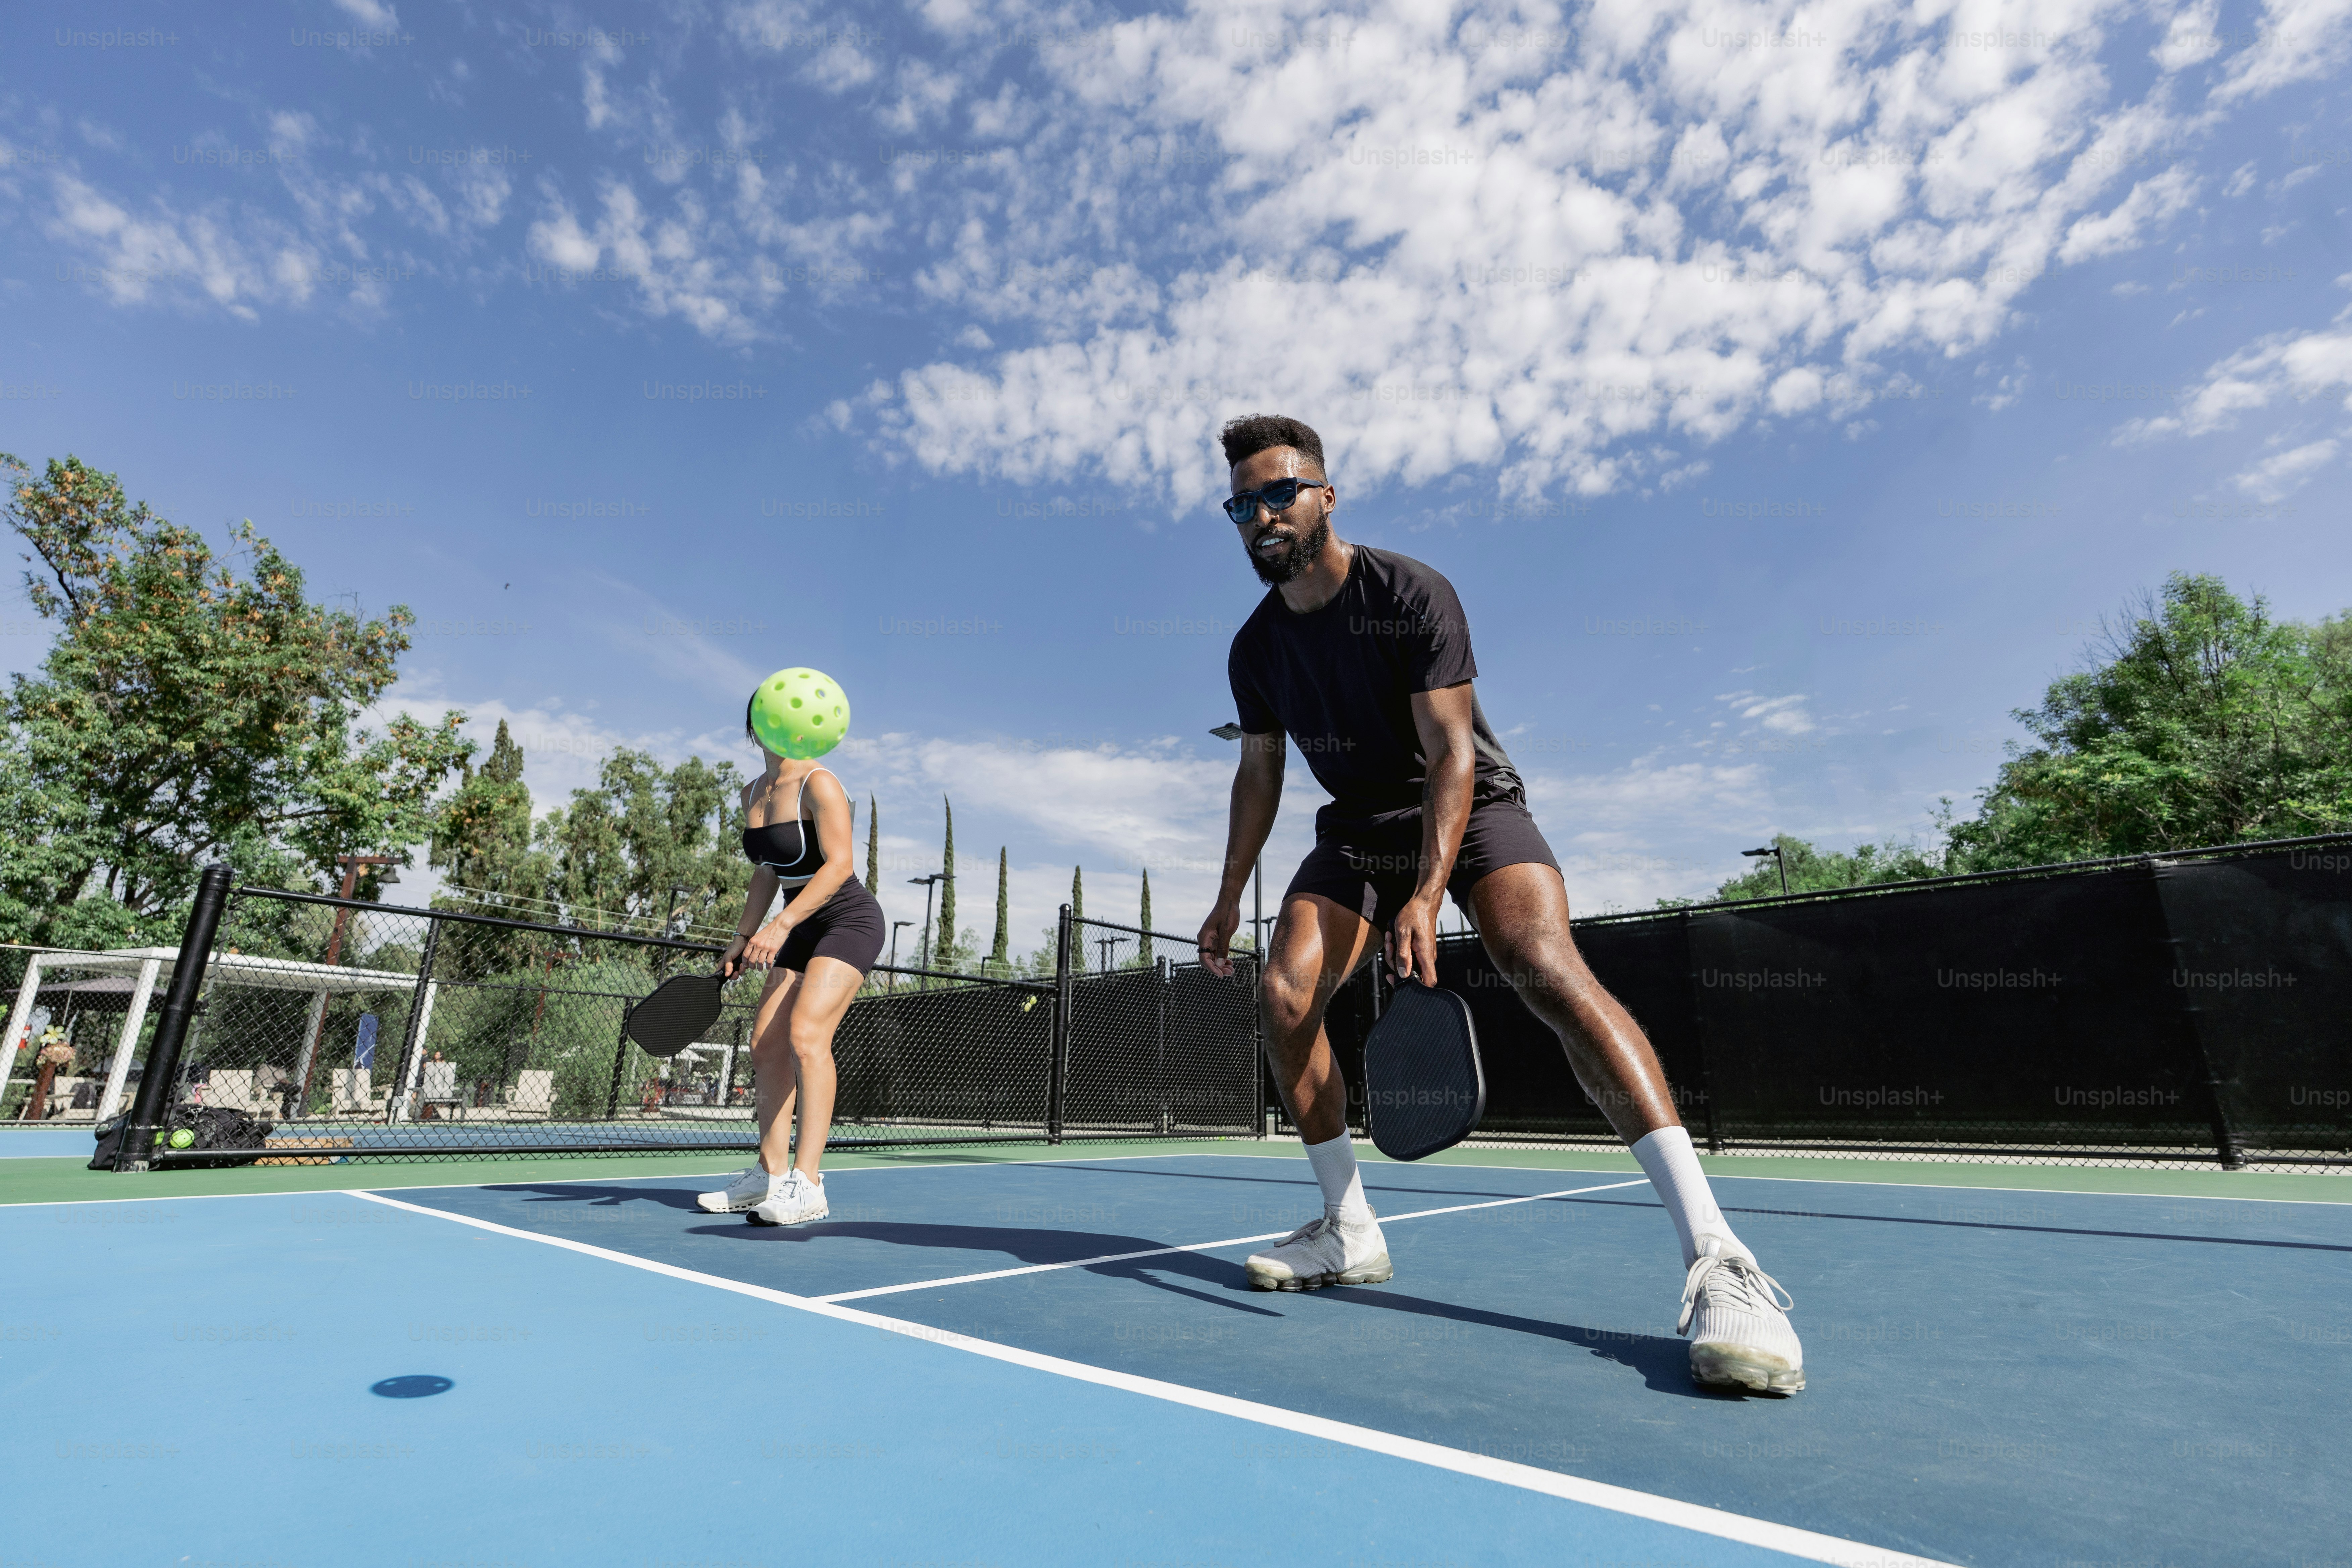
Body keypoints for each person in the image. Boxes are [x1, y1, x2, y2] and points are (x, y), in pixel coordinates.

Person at [1194, 414, 1804, 1395]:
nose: (1259, 516)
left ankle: (1720, 1257)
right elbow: (1260, 774)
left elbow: (1452, 755)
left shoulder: (1411, 592)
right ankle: (1347, 1229)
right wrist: (1229, 893)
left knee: (1539, 960)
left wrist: (1430, 891)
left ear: (1324, 496)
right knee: (1285, 993)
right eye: (1241, 504)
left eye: (1278, 494)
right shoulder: (1254, 650)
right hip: (1356, 832)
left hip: (1469, 806)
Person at [694, 688, 886, 1226]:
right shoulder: (752, 791)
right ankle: (770, 1175)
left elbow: (839, 867)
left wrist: (782, 925)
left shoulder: (819, 783)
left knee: (807, 1036)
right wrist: (742, 937)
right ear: (759, 721)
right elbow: (766, 871)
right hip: (796, 923)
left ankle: (809, 1184)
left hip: (847, 919)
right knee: (764, 1045)